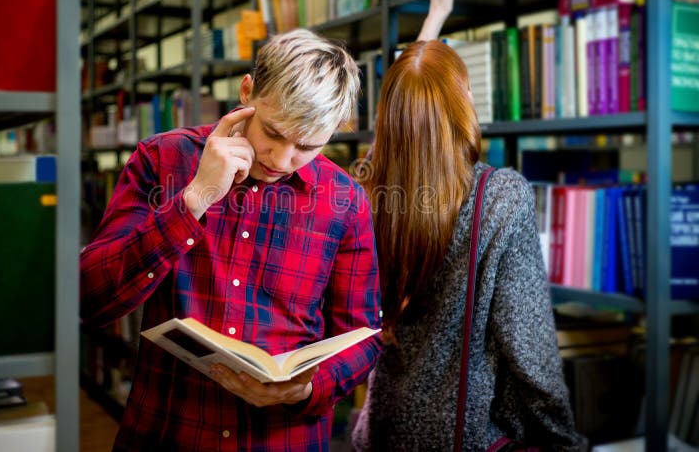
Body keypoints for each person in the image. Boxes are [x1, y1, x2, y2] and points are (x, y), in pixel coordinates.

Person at [80, 28, 382, 451]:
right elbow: (91, 299)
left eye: (307, 146)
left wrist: (305, 390)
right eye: (274, 133)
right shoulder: (162, 159)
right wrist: (194, 199)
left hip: (282, 439)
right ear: (247, 92)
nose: (281, 159)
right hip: (168, 433)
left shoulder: (346, 201)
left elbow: (363, 337)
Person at [350, 29, 586, 449]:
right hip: (465, 434)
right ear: (463, 106)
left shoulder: (365, 192)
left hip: (384, 427)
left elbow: (404, 116)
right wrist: (563, 439)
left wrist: (434, 21)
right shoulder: (500, 197)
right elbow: (529, 348)